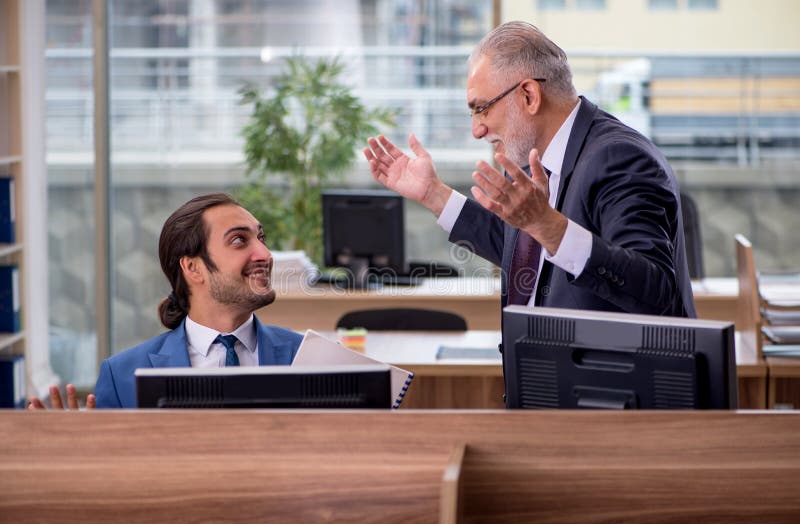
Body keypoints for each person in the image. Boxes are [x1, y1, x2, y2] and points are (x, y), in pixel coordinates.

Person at [364, 21, 695, 318]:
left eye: (482, 109)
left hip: (619, 384)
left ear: (528, 96)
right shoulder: (528, 156)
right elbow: (525, 254)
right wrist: (433, 193)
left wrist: (546, 224)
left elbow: (657, 290)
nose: (477, 130)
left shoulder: (620, 158)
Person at [29, 192, 302, 409]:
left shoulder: (310, 358)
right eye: (240, 240)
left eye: (261, 238)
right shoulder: (123, 375)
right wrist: (71, 450)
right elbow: (113, 473)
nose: (265, 253)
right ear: (193, 268)